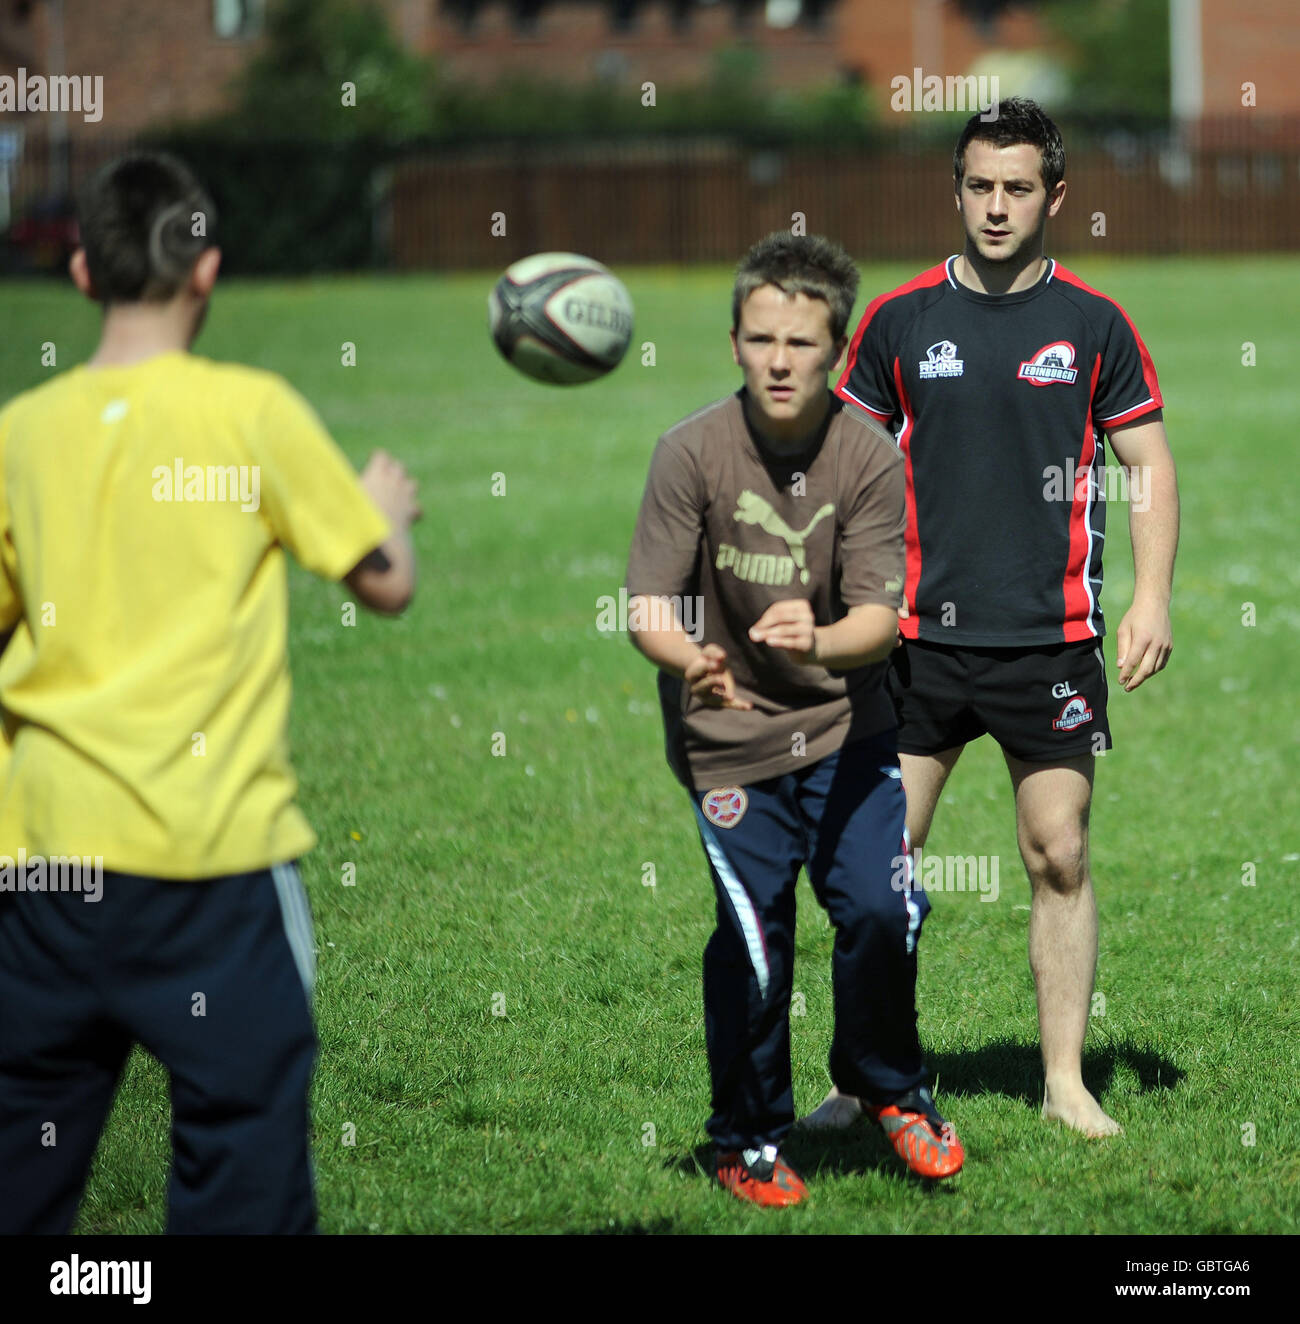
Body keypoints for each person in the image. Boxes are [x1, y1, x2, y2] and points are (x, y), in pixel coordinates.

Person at [0, 151, 421, 1233]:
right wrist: (380, 506)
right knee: (243, 1153)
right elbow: (385, 584)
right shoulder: (252, 412)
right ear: (207, 270)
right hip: (210, 863)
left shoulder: (20, 432)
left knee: (26, 1151)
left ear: (82, 271)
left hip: (43, 864)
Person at [805, 97, 1178, 1139]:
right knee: (877, 868)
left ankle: (1062, 1081)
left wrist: (1149, 595)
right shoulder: (899, 321)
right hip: (912, 643)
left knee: (1057, 850)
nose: (997, 205)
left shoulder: (1094, 325)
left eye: (1019, 187)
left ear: (1055, 195)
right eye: (979, 185)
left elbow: (1145, 465)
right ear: (956, 189)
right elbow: (842, 465)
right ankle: (863, 1074)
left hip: (1047, 641)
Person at [624, 231, 964, 1208]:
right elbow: (647, 606)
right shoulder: (688, 452)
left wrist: (811, 643)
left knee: (879, 907)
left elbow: (873, 620)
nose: (780, 359)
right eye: (761, 337)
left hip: (847, 732)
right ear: (734, 340)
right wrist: (694, 658)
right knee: (755, 933)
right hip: (728, 743)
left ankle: (886, 1084)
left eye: (802, 342)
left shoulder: (864, 456)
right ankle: (746, 1136)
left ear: (836, 347)